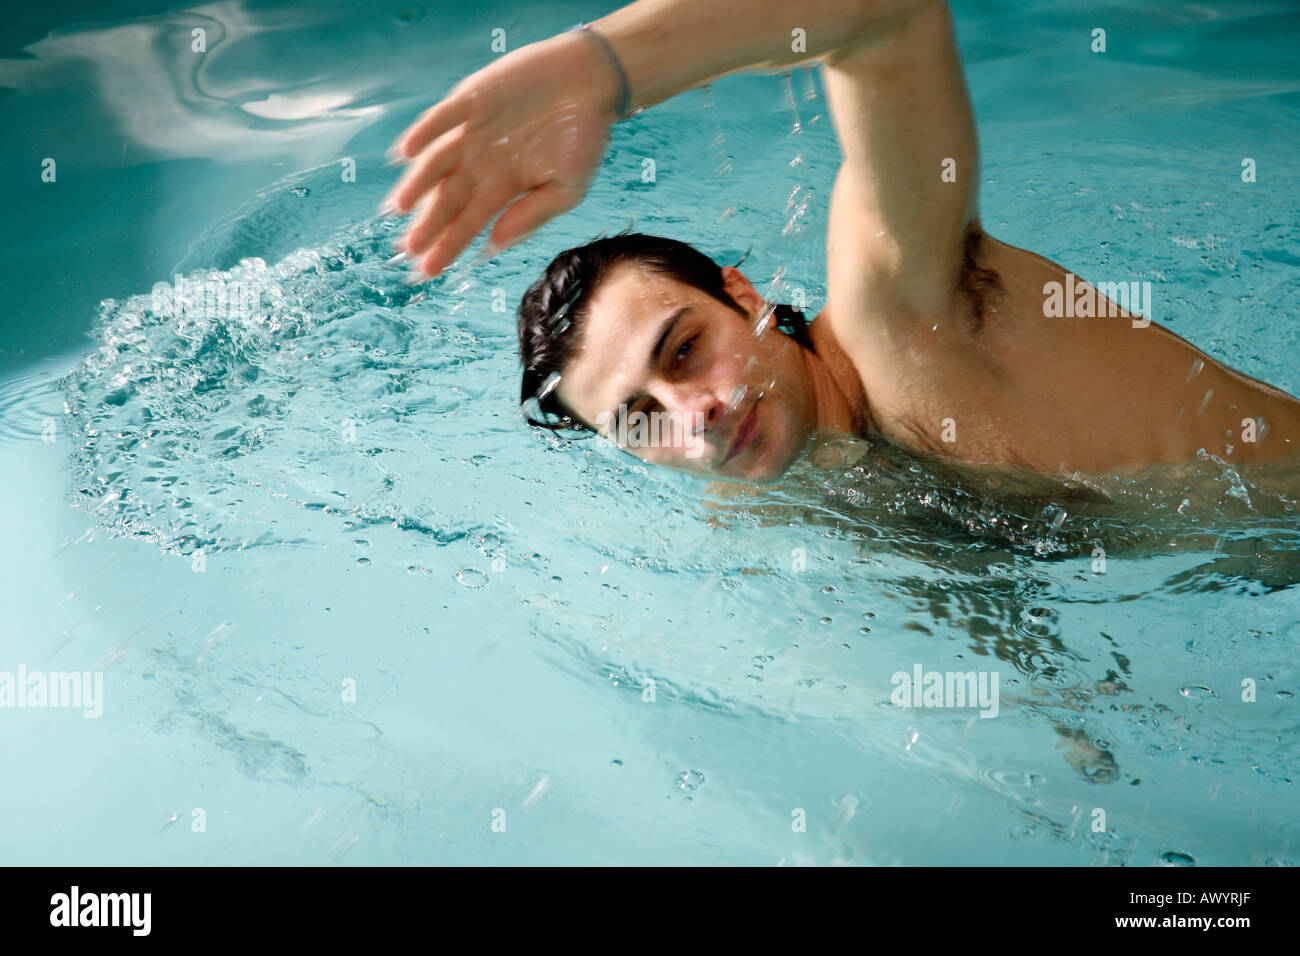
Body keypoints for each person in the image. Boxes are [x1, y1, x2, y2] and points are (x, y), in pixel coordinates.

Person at [380, 0, 1300, 488]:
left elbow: (887, 15)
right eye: (640, 419)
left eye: (685, 349)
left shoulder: (904, 307)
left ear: (744, 296)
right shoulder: (769, 499)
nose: (690, 414)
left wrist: (603, 68)